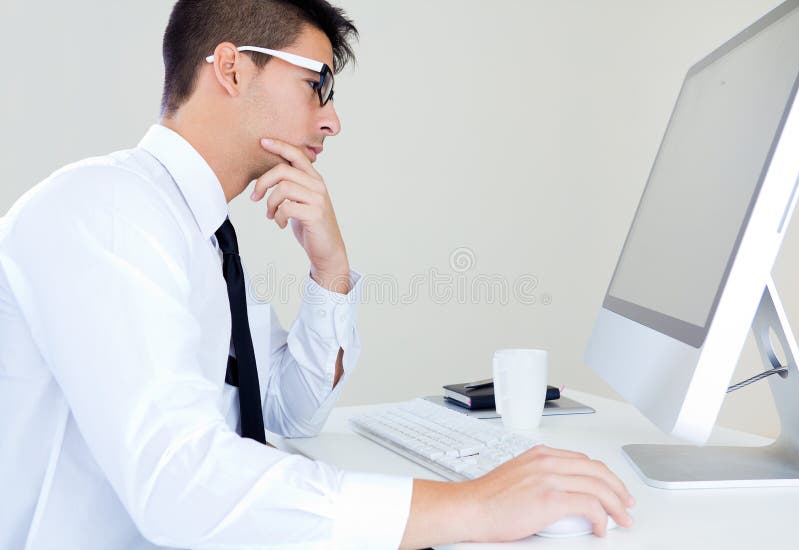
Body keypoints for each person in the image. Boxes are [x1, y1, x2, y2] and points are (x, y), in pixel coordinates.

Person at [0, 1, 635, 548]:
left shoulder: (197, 235)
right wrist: (473, 506)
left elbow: (285, 407)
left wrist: (329, 268)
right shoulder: (107, 213)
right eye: (317, 84)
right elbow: (178, 483)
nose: (332, 120)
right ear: (230, 68)